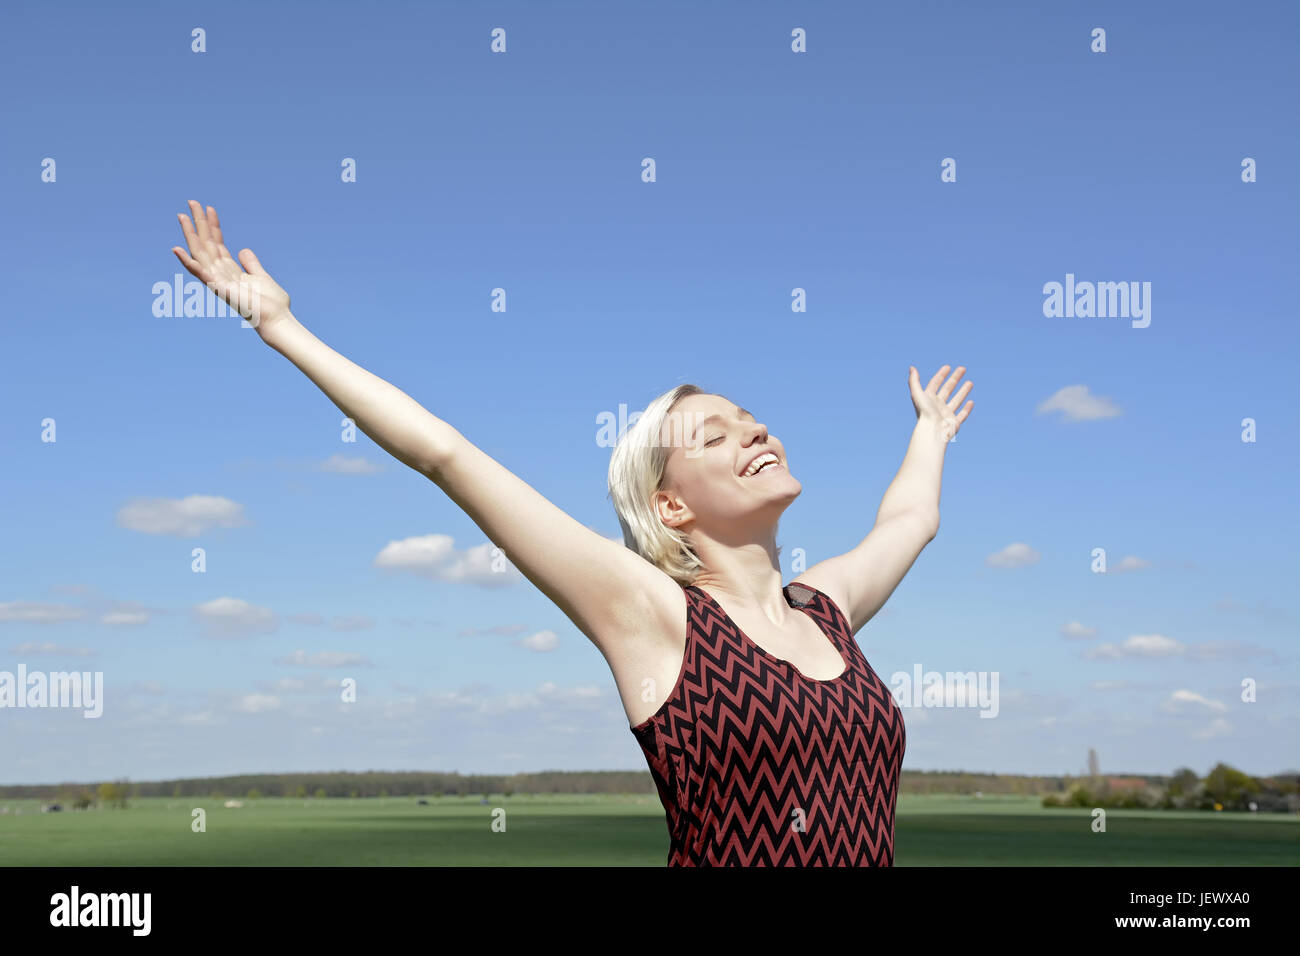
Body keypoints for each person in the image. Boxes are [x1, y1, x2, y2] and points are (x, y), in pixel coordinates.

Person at [171, 200, 974, 865]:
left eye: (755, 421)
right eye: (718, 435)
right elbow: (446, 455)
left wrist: (931, 432)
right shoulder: (655, 614)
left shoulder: (825, 610)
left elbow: (912, 519)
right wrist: (280, 327)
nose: (757, 433)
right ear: (670, 508)